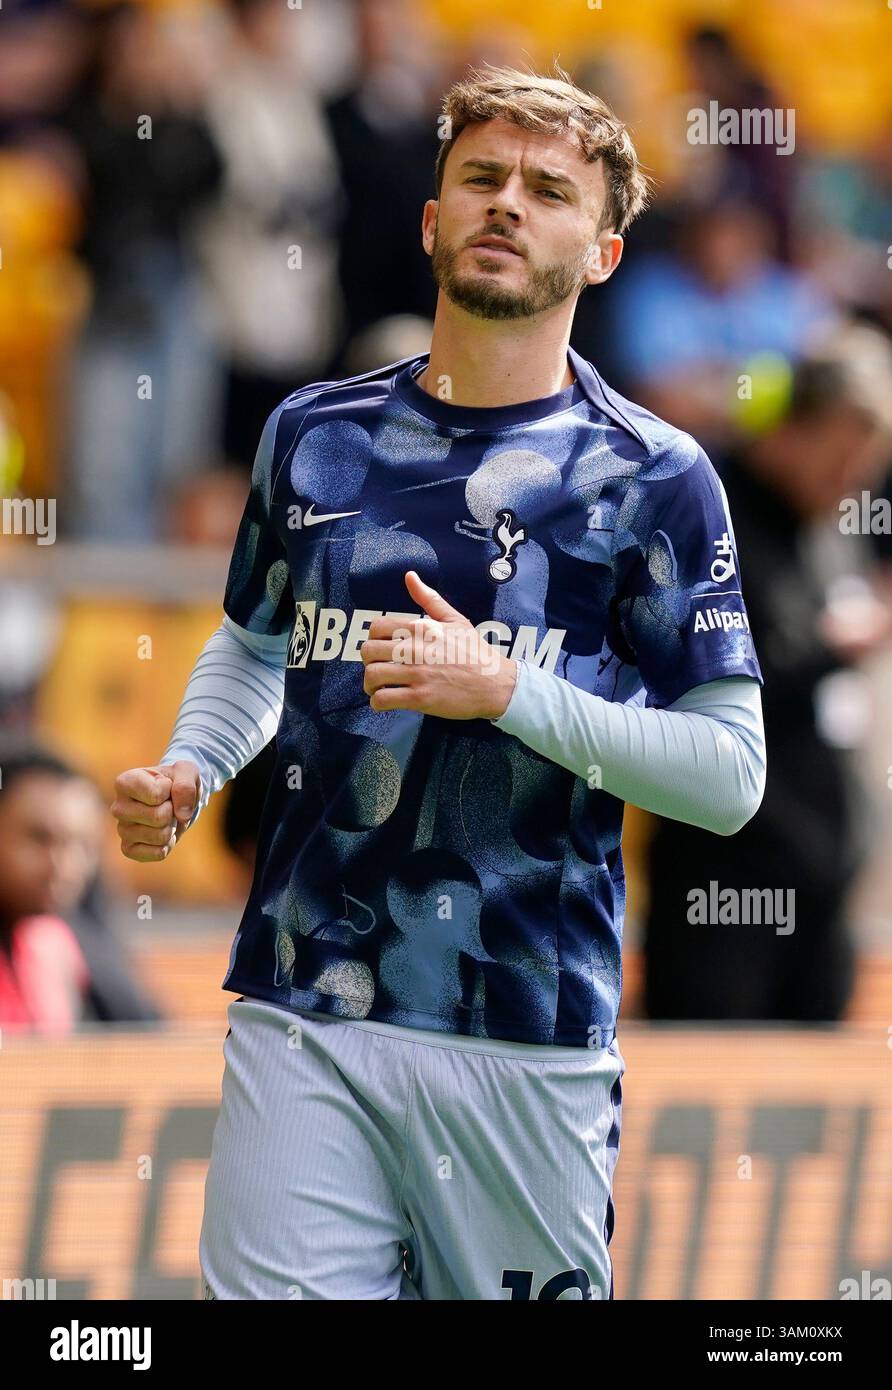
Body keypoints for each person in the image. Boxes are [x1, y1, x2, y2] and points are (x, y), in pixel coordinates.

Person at [111, 64, 766, 1301]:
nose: (506, 203)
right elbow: (256, 642)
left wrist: (506, 692)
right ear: (430, 221)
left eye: (547, 190)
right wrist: (199, 761)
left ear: (606, 251)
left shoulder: (655, 478)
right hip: (306, 1006)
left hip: (522, 1028)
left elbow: (729, 777)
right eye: (481, 178)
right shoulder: (313, 434)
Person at [644, 325, 892, 1022]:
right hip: (726, 892)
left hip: (822, 883)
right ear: (791, 430)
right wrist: (833, 646)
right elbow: (707, 681)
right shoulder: (712, 515)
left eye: (865, 472)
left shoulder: (829, 528)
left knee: (814, 1111)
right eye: (841, 462)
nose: (851, 486)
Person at [0, 746, 162, 1031]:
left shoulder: (69, 940)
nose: (64, 866)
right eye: (39, 838)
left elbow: (147, 1031)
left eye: (83, 844)